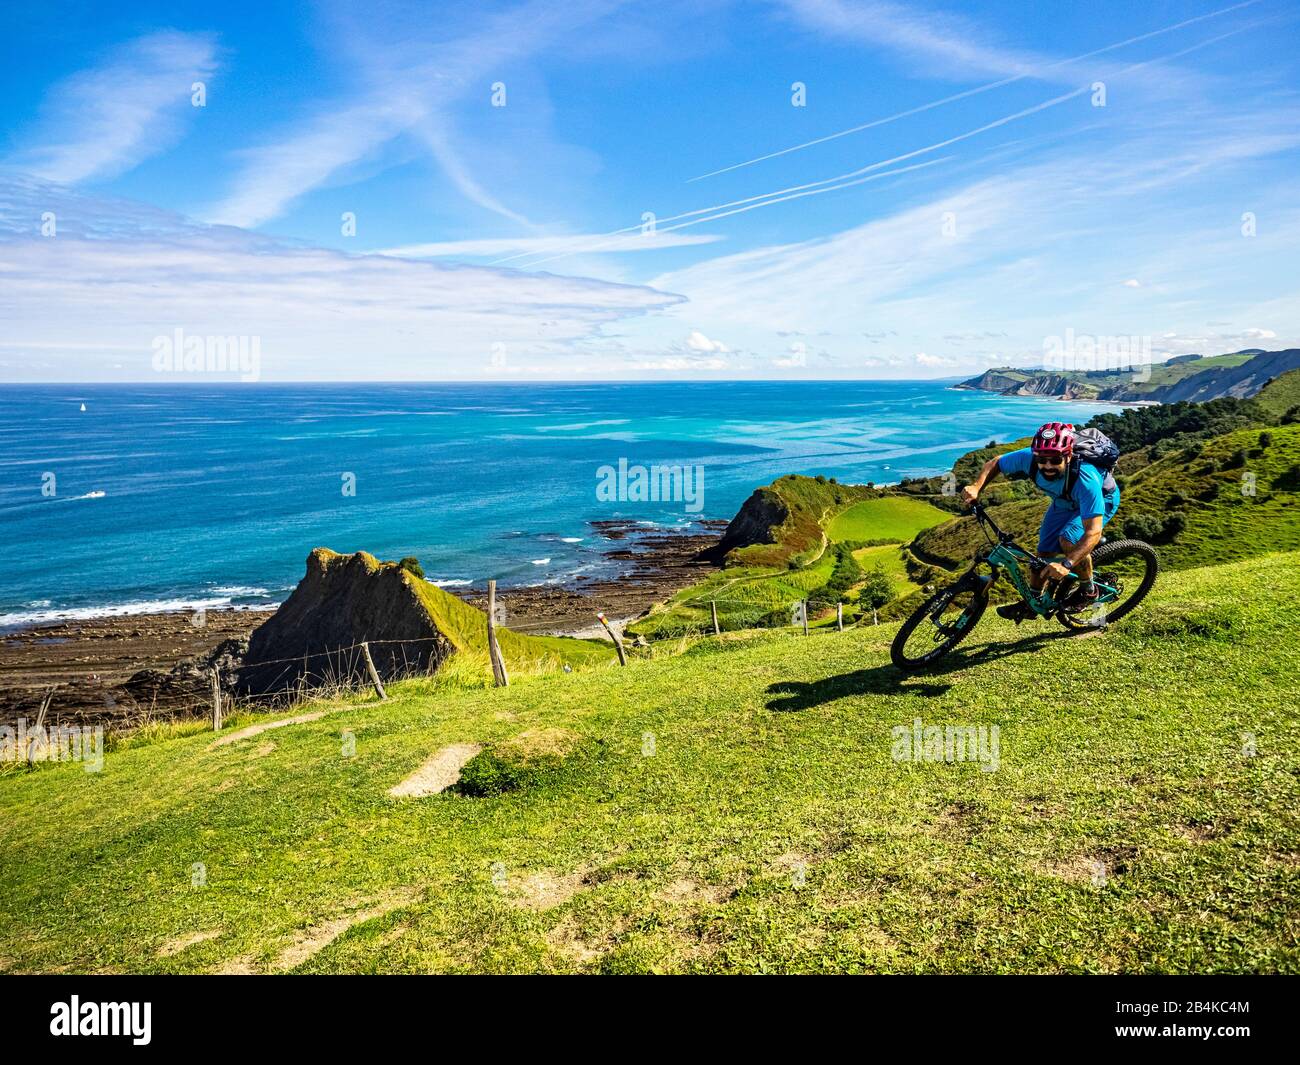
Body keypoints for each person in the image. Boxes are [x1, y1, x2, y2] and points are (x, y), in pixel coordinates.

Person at [960, 422, 1120, 621]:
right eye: (1042, 460)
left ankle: (1089, 590)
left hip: (1102, 500)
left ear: (1068, 456)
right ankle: (1033, 603)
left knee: (1068, 539)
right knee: (1042, 556)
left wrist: (1067, 564)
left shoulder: (1087, 480)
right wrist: (976, 487)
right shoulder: (1030, 459)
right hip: (1063, 502)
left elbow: (1092, 533)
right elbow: (997, 462)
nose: (1047, 466)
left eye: (1055, 460)